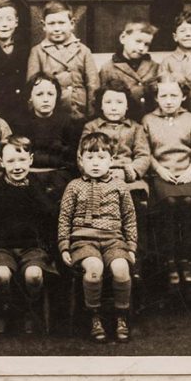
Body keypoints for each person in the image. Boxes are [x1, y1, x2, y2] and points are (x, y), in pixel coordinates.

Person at [58, 132, 137, 344]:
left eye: (101, 158)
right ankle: (94, 316)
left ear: (111, 160)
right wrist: (64, 246)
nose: (95, 163)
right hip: (84, 241)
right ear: (80, 160)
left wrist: (131, 246)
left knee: (121, 269)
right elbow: (64, 218)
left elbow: (129, 218)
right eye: (90, 158)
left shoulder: (120, 186)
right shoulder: (74, 186)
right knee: (94, 269)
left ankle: (121, 316)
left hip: (114, 240)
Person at [0, 137, 56, 335]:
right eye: (11, 161)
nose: (17, 166)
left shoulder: (37, 186)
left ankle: (29, 309)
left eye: (21, 160)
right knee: (1, 276)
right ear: (1, 162)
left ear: (30, 160)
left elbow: (50, 216)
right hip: (2, 248)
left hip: (32, 247)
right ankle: (3, 309)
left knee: (34, 276)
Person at [142, 73, 191, 284]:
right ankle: (169, 260)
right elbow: (146, 152)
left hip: (186, 173)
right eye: (164, 96)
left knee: (188, 203)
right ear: (156, 98)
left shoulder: (190, 120)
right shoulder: (148, 120)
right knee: (168, 204)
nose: (169, 101)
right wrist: (160, 170)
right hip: (162, 174)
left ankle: (186, 260)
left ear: (183, 97)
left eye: (174, 95)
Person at [26, 0, 99, 124]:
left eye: (61, 23)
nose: (57, 28)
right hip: (52, 116)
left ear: (72, 23)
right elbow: (32, 86)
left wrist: (92, 115)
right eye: (52, 24)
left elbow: (93, 85)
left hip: (79, 113)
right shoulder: (38, 51)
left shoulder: (83, 50)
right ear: (44, 25)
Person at [11, 72, 78, 207]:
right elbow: (20, 155)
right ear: (30, 97)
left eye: (50, 94)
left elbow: (71, 157)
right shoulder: (21, 123)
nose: (46, 99)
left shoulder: (67, 122)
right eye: (39, 94)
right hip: (30, 175)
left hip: (60, 175)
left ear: (57, 96)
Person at [98, 20, 160, 118]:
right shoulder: (108, 68)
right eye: (138, 41)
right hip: (123, 121)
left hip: (150, 119)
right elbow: (101, 98)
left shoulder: (155, 67)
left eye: (146, 44)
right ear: (123, 38)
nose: (141, 48)